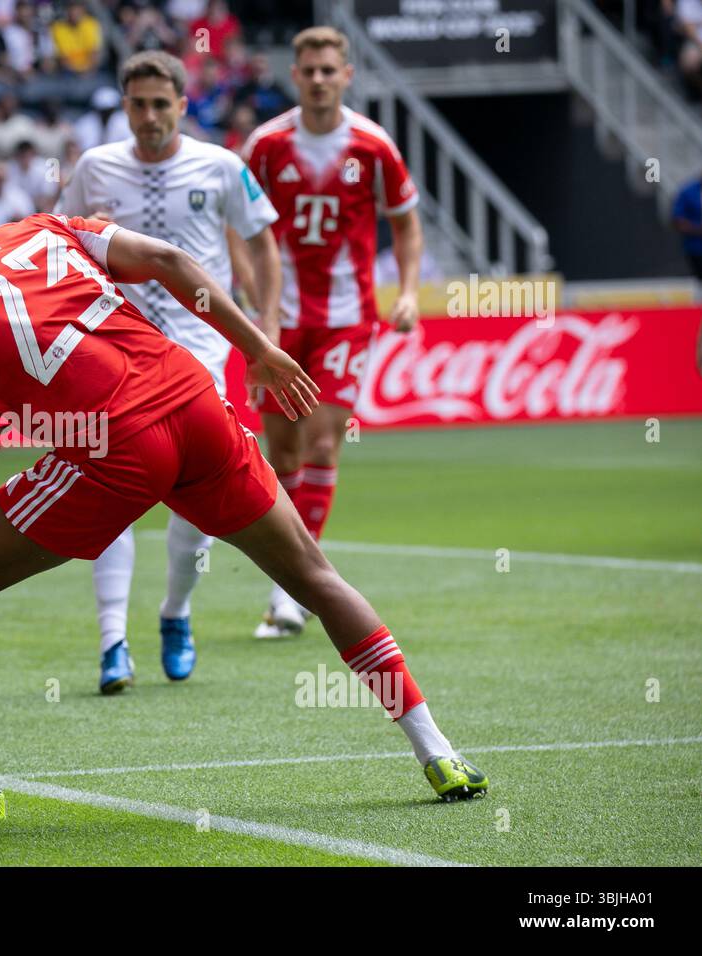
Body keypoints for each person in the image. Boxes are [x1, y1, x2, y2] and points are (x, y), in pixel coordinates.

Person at [0, 173, 489, 821]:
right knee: (314, 576)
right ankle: (437, 751)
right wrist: (259, 349)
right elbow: (173, 263)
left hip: (115, 445)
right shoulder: (40, 228)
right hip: (196, 403)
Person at [55, 50, 281, 692]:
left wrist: (266, 327)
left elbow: (262, 239)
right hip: (110, 347)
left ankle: (176, 613)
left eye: (161, 104)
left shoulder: (222, 165)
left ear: (183, 105)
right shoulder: (96, 167)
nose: (150, 116)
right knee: (108, 491)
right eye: (138, 104)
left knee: (198, 496)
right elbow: (58, 241)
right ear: (124, 106)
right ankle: (112, 643)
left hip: (199, 348)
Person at [241, 27, 423, 638]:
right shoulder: (267, 145)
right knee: (283, 453)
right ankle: (294, 578)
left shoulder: (372, 144)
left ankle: (291, 590)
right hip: (277, 319)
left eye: (329, 70)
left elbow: (405, 222)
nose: (319, 79)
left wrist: (411, 291)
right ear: (294, 75)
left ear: (347, 75)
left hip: (348, 317)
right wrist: (249, 298)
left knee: (322, 444)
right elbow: (238, 223)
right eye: (309, 70)